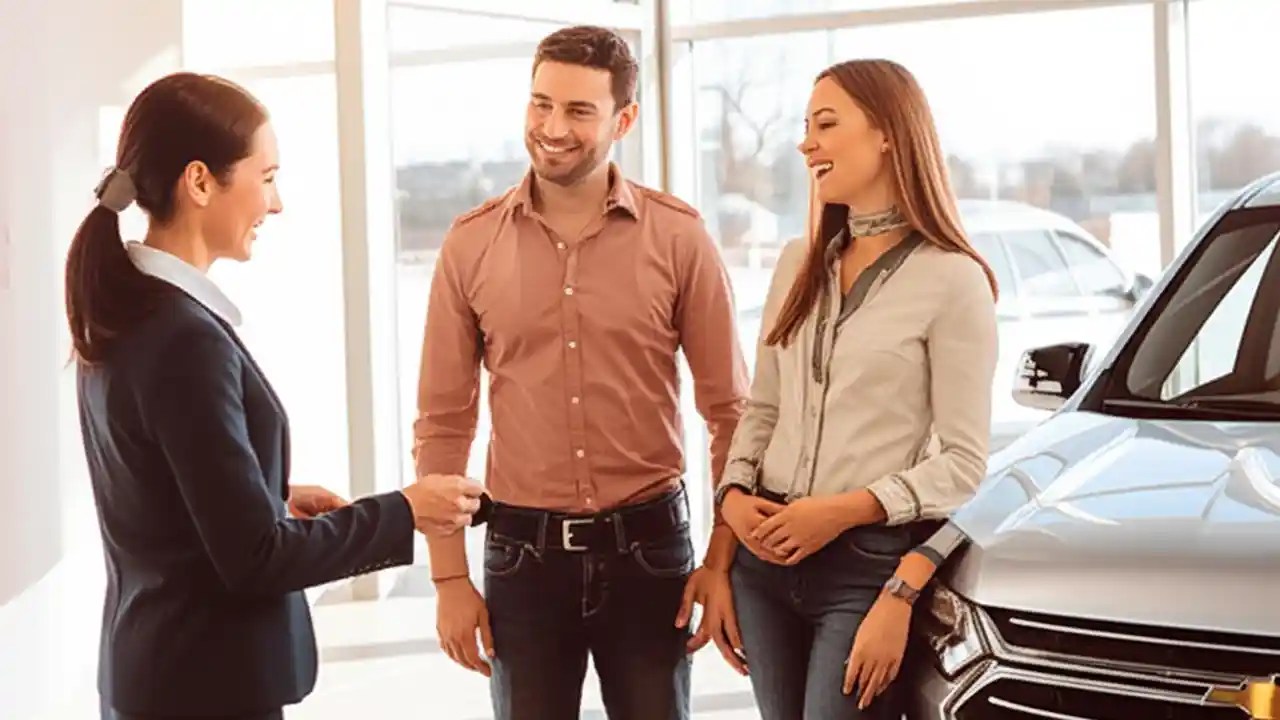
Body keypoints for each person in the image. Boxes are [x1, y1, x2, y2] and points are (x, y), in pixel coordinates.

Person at [65, 72, 486, 720]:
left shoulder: (129, 311)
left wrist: (272, 496)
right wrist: (406, 510)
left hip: (159, 675)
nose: (278, 202)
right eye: (266, 177)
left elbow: (160, 490)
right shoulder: (183, 338)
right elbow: (256, 558)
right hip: (203, 690)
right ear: (200, 181)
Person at [413, 25, 750, 720]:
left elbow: (732, 414)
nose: (552, 128)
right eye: (541, 105)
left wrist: (721, 560)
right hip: (520, 561)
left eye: (578, 111)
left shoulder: (678, 237)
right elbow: (443, 424)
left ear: (623, 120)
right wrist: (449, 577)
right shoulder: (470, 245)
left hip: (651, 553)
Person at [709, 58, 999, 719]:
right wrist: (731, 500)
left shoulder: (955, 280)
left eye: (826, 124)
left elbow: (963, 463)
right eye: (805, 126)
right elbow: (764, 408)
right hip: (762, 567)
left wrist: (843, 512)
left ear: (889, 133)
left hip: (863, 572)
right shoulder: (797, 262)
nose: (806, 142)